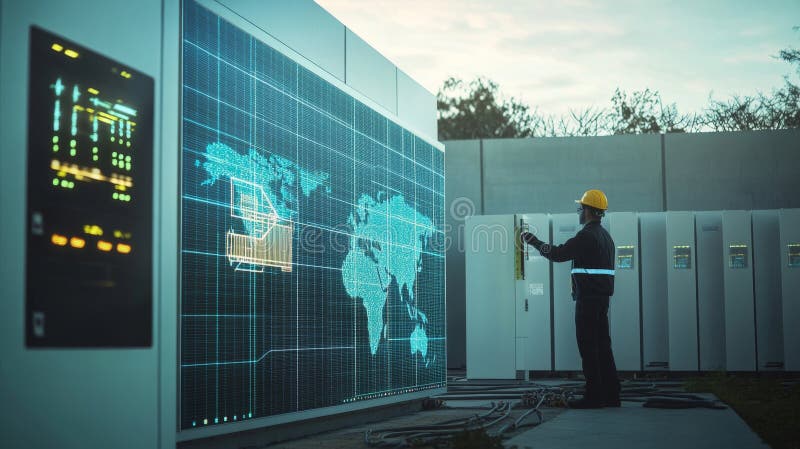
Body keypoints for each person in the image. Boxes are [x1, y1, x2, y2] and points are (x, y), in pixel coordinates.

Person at [521, 189, 621, 409]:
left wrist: (534, 241)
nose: (579, 212)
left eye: (580, 208)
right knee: (603, 346)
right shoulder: (605, 236)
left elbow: (558, 254)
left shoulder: (587, 236)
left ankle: (594, 396)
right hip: (602, 299)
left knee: (588, 347)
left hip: (588, 299)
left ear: (588, 210)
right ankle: (612, 395)